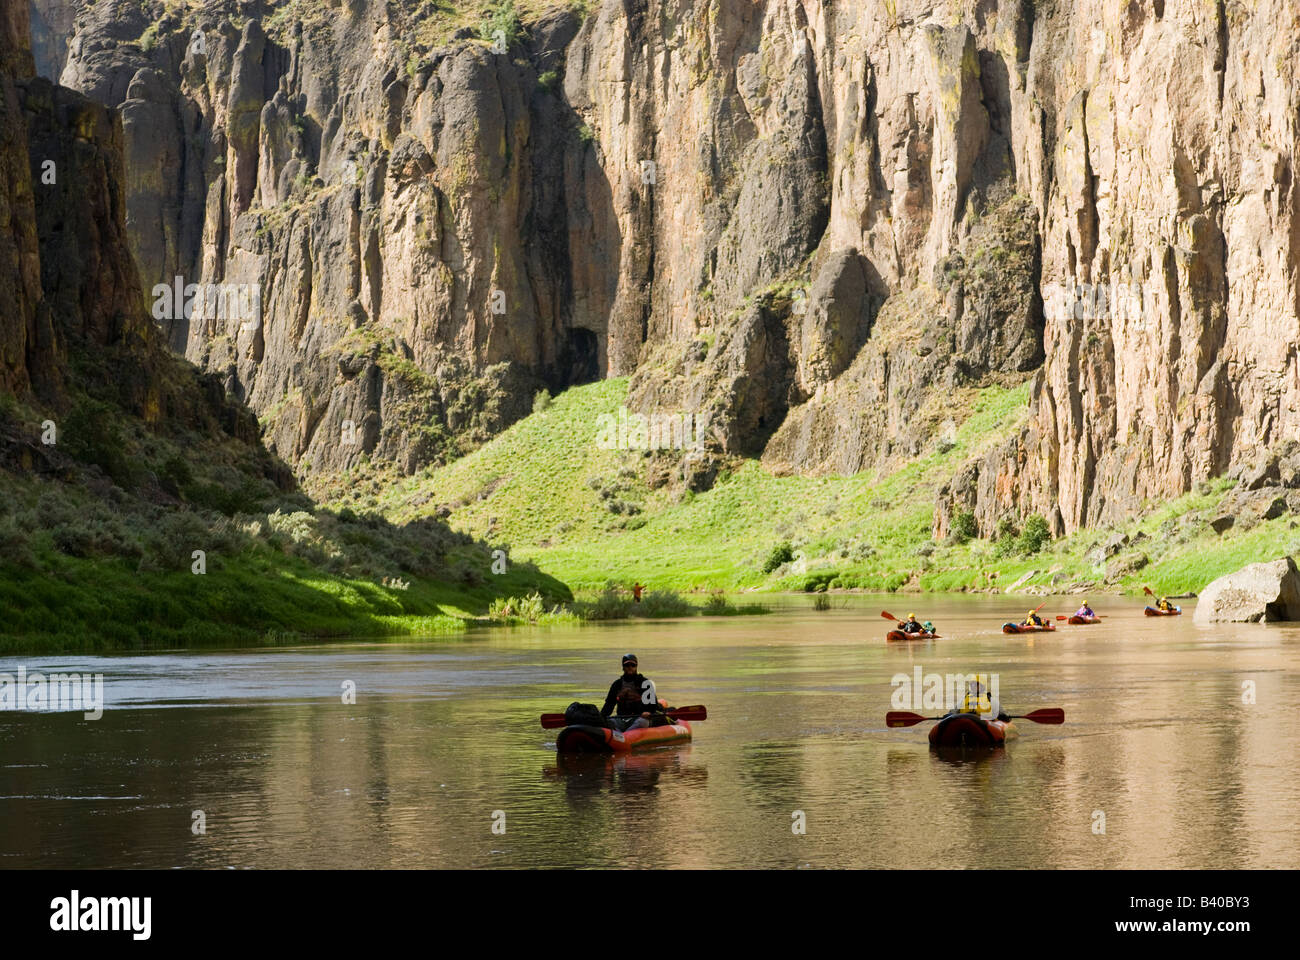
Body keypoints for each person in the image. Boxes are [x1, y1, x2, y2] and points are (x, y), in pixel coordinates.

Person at [600, 654, 668, 731]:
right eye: (627, 665)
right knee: (609, 722)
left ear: (636, 666)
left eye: (633, 665)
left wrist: (648, 712)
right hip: (622, 719)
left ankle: (623, 735)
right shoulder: (617, 684)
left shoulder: (645, 683)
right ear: (623, 667)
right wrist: (601, 718)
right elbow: (609, 705)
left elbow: (652, 705)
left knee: (643, 722)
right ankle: (620, 735)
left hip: (639, 719)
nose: (630, 667)